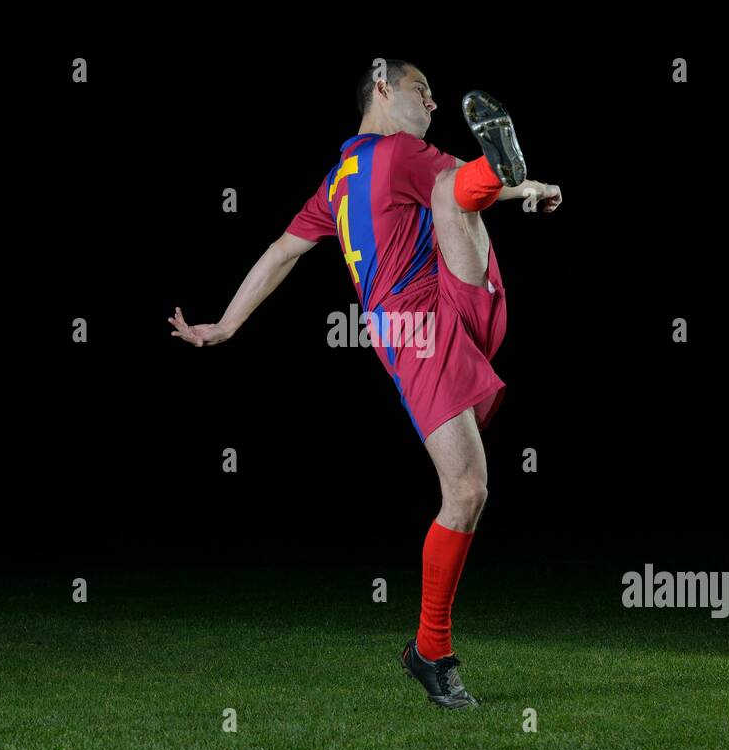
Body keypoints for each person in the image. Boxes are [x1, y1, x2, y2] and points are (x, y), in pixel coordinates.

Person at [169, 59, 562, 708]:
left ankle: (504, 166)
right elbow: (290, 248)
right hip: (419, 330)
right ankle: (429, 651)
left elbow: (281, 250)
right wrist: (520, 187)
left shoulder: (342, 177)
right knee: (466, 490)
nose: (433, 102)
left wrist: (227, 324)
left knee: (449, 198)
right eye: (421, 90)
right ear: (382, 87)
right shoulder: (387, 156)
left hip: (450, 303)